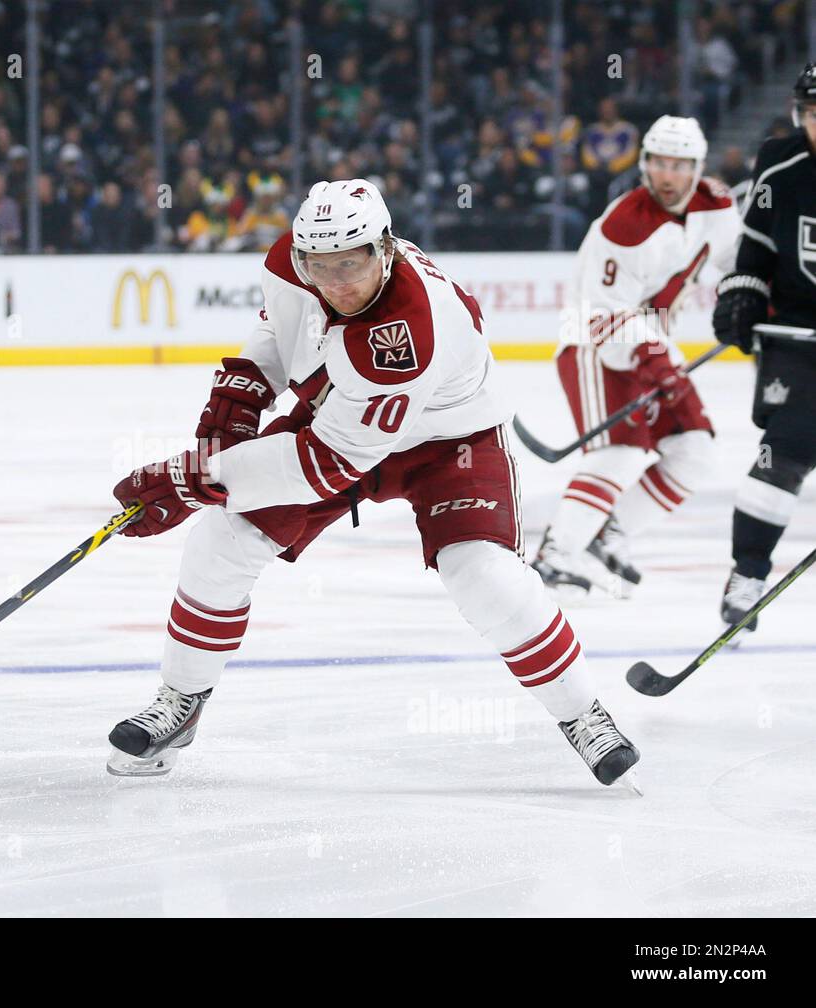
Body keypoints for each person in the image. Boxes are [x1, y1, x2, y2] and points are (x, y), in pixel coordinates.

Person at [105, 179, 641, 791]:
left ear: (384, 249)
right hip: (343, 418)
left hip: (446, 443)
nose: (334, 282)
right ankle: (180, 700)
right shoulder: (291, 262)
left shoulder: (405, 332)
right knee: (220, 544)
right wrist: (244, 389)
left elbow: (324, 465)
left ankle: (583, 714)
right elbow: (281, 333)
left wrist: (193, 477)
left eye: (350, 264)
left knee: (483, 576)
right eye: (319, 265)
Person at [531, 116, 740, 597]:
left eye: (680, 165)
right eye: (660, 163)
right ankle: (556, 555)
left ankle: (606, 534)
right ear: (645, 164)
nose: (668, 176)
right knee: (621, 451)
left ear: (697, 168)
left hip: (654, 347)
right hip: (592, 343)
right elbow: (605, 314)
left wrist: (744, 297)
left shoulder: (719, 205)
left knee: (695, 452)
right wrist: (656, 359)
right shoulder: (624, 225)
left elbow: (737, 264)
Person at [712, 64, 816, 635]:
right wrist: (742, 297)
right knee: (787, 447)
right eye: (815, 113)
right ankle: (748, 570)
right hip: (798, 336)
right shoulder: (781, 165)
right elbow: (750, 257)